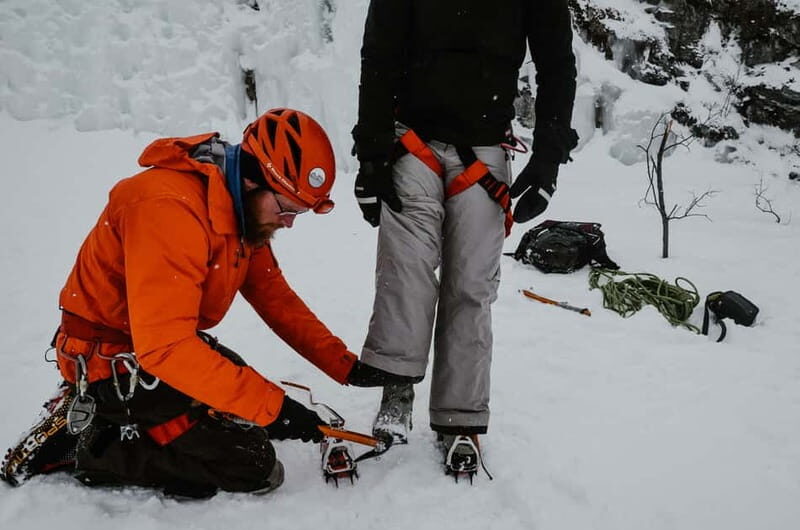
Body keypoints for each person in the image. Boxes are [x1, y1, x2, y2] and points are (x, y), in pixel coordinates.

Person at [0, 108, 404, 498]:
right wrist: (275, 407)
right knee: (252, 464)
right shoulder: (169, 210)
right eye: (286, 209)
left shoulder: (238, 210)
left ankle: (123, 418)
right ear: (252, 179)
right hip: (115, 361)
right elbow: (167, 349)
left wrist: (343, 365)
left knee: (248, 410)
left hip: (153, 347)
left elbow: (273, 295)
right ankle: (87, 441)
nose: (289, 222)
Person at [352, 0, 579, 476]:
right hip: (412, 140)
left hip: (485, 147)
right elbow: (380, 56)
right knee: (406, 268)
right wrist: (371, 157)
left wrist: (548, 160)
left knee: (471, 286)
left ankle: (461, 416)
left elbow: (557, 65)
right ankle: (398, 384)